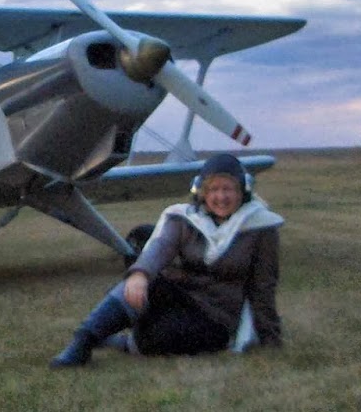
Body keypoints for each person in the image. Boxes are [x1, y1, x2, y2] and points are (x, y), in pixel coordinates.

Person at [49, 152, 284, 367]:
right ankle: (82, 343)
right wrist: (140, 274)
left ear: (242, 191)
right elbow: (159, 248)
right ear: (201, 192)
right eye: (213, 189)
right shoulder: (184, 219)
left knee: (160, 338)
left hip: (216, 315)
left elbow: (263, 285)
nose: (221, 197)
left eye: (228, 189)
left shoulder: (261, 227)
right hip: (180, 295)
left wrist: (269, 337)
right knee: (133, 288)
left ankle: (121, 341)